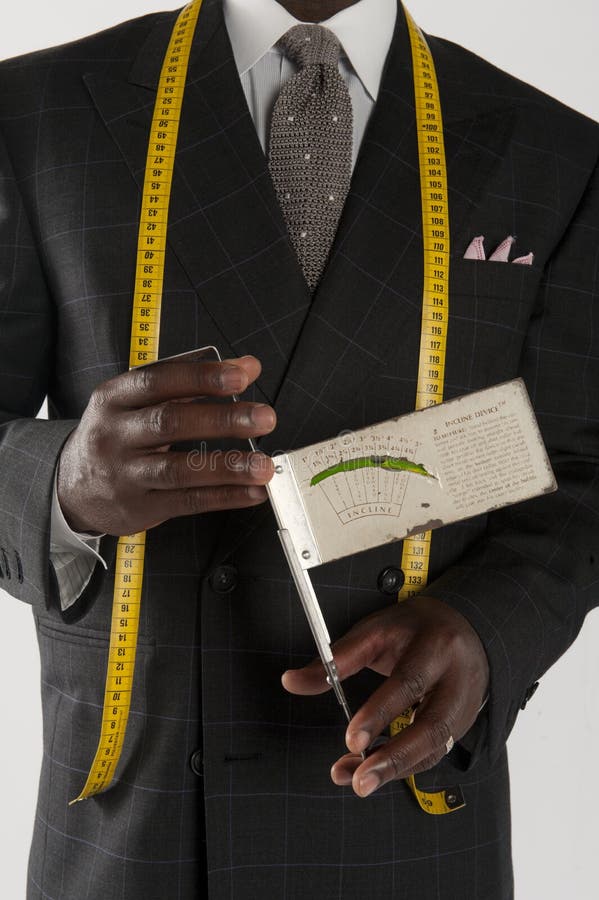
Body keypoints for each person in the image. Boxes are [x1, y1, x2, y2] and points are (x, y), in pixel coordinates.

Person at [0, 0, 597, 897]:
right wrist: (61, 484)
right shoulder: (35, 112)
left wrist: (488, 627)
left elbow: (580, 469)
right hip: (138, 827)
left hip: (407, 820)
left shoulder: (555, 156)